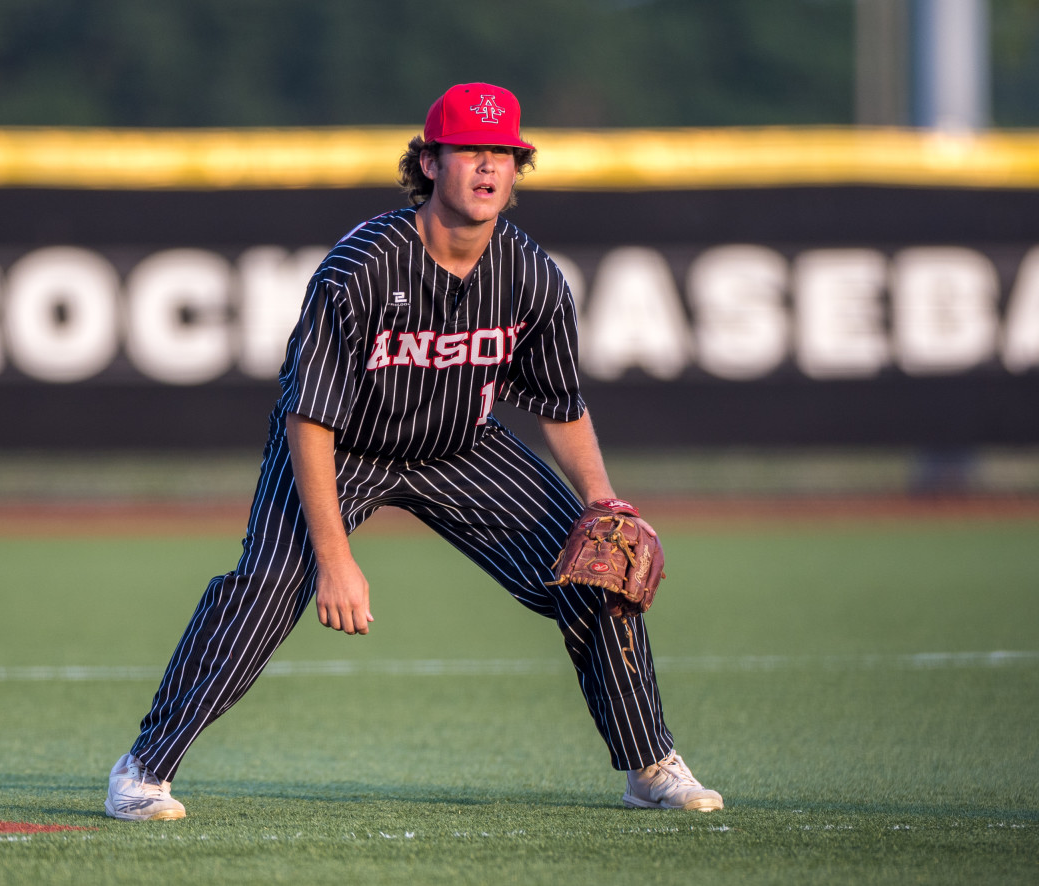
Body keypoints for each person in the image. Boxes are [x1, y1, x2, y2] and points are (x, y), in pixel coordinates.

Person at [105, 82, 723, 821]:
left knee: (600, 572)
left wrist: (603, 500)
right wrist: (334, 561)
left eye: (504, 154)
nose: (490, 168)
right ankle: (143, 769)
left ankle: (650, 766)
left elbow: (560, 404)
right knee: (266, 592)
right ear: (429, 162)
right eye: (471, 152)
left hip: (460, 446)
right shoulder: (362, 267)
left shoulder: (532, 276)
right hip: (343, 448)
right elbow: (308, 420)